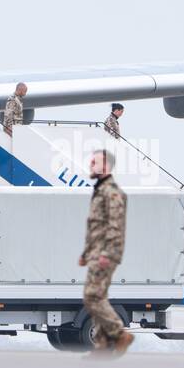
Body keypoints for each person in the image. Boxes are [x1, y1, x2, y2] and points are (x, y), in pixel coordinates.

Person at [78, 149, 133, 356]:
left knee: (92, 296)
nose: (91, 164)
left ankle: (119, 334)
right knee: (97, 297)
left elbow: (114, 226)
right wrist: (86, 253)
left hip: (105, 254)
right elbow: (96, 226)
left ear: (106, 166)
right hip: (96, 253)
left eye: (95, 162)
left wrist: (106, 254)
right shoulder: (101, 190)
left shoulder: (112, 192)